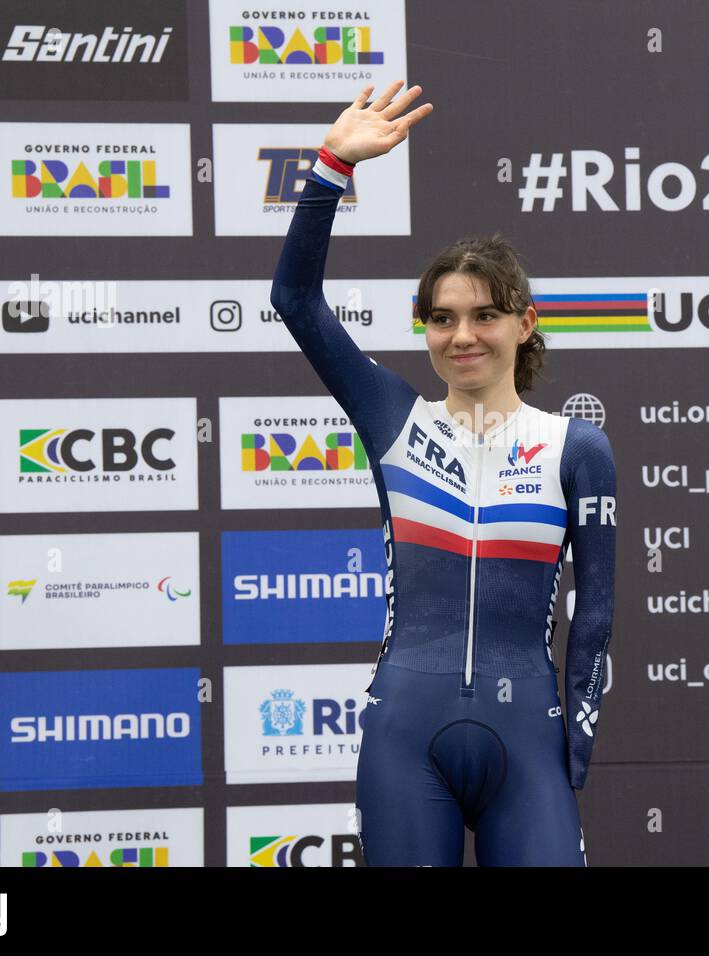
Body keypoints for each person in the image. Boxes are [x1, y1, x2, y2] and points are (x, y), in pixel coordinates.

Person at [269, 80, 617, 866]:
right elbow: (294, 299)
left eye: (484, 314)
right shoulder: (394, 416)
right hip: (405, 738)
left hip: (527, 740)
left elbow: (594, 616)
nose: (462, 335)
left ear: (525, 323)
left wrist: (577, 744)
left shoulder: (576, 447)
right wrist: (331, 167)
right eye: (441, 317)